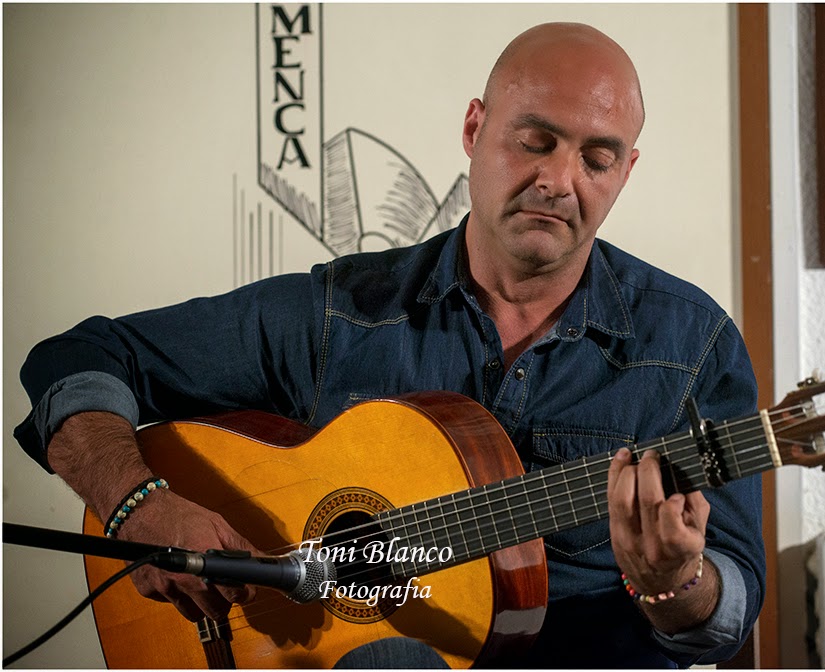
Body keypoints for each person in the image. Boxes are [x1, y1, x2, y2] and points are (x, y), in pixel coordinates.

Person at [15, 22, 764, 668]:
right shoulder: (342, 312)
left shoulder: (690, 344)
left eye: (597, 159)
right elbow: (79, 359)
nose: (559, 180)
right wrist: (136, 504)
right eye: (535, 141)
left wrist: (672, 584)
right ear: (474, 129)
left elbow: (728, 607)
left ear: (626, 171)